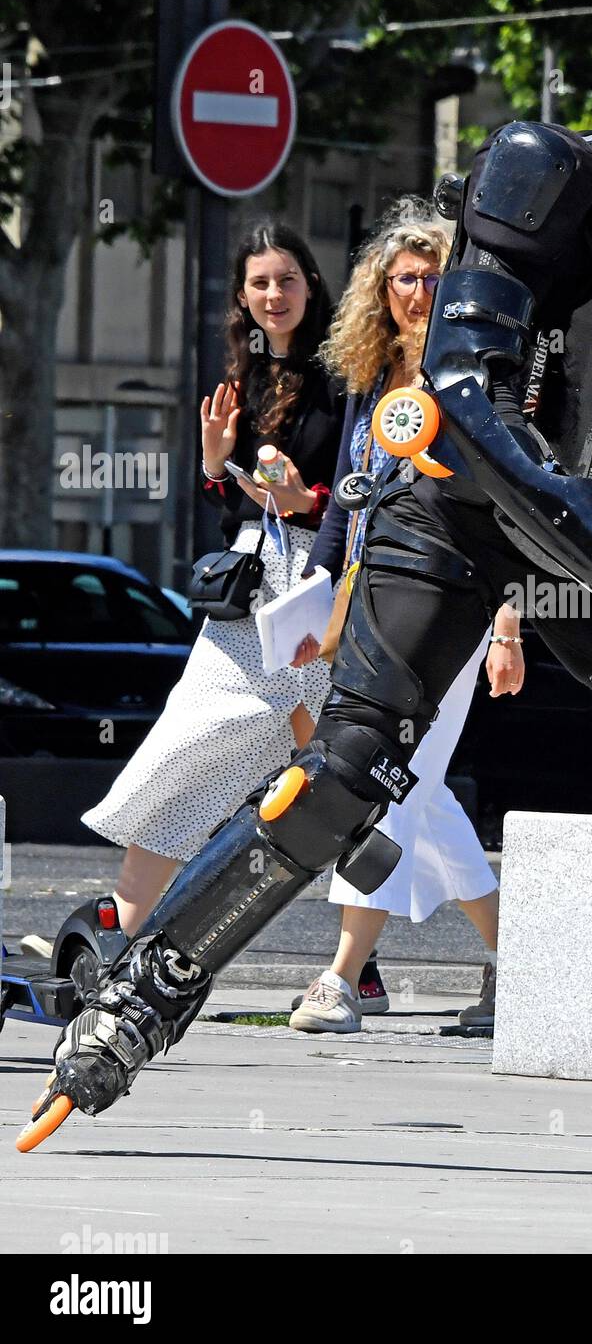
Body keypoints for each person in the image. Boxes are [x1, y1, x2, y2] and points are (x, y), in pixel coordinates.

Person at [28, 0, 592, 1146]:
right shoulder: (536, 171)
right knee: (345, 774)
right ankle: (138, 997)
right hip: (458, 510)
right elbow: (461, 397)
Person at [78, 222, 341, 933]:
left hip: (318, 579)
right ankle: (123, 933)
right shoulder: (242, 377)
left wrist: (304, 500)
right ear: (243, 297)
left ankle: (356, 961)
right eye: (260, 282)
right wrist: (212, 461)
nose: (274, 294)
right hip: (253, 584)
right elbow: (230, 504)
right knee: (188, 746)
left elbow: (360, 489)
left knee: (334, 774)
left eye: (287, 279)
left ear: (310, 285)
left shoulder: (344, 374)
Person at [287, 200, 509, 1034]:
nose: (416, 292)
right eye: (402, 278)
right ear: (379, 291)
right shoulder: (372, 377)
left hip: (453, 602)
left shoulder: (476, 376)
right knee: (419, 787)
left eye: (431, 278)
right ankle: (528, 964)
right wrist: (314, 594)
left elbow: (505, 509)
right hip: (369, 599)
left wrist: (512, 629)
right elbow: (348, 505)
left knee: (381, 774)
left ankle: (341, 978)